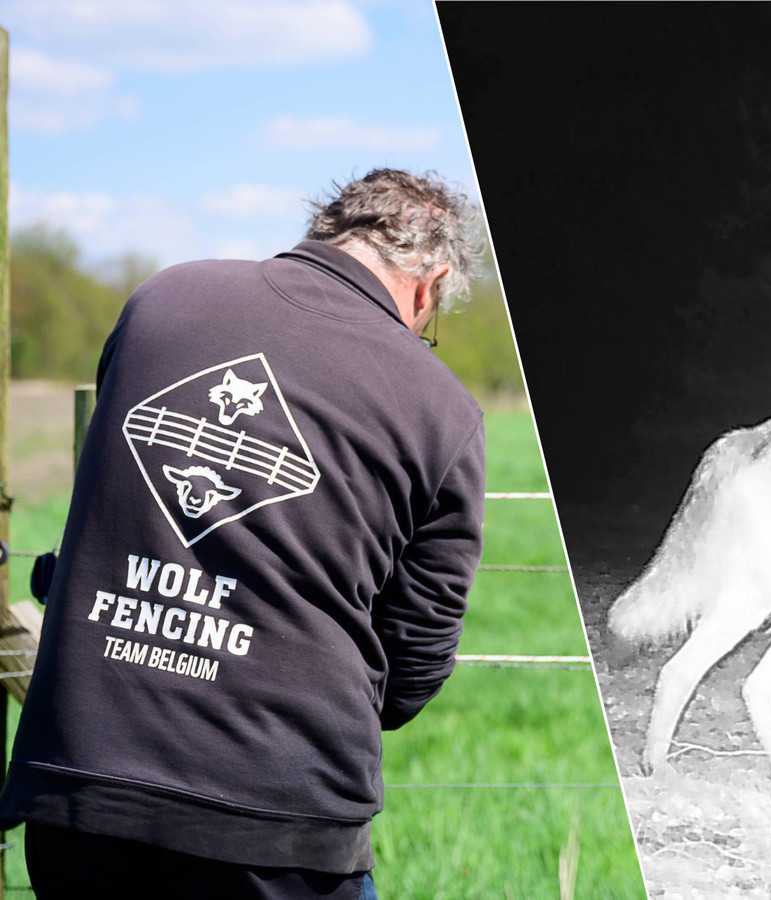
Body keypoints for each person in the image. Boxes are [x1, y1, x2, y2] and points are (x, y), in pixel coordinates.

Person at [0, 169, 489, 900]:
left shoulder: (163, 298)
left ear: (327, 229)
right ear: (430, 283)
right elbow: (414, 662)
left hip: (77, 790)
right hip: (275, 821)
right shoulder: (440, 408)